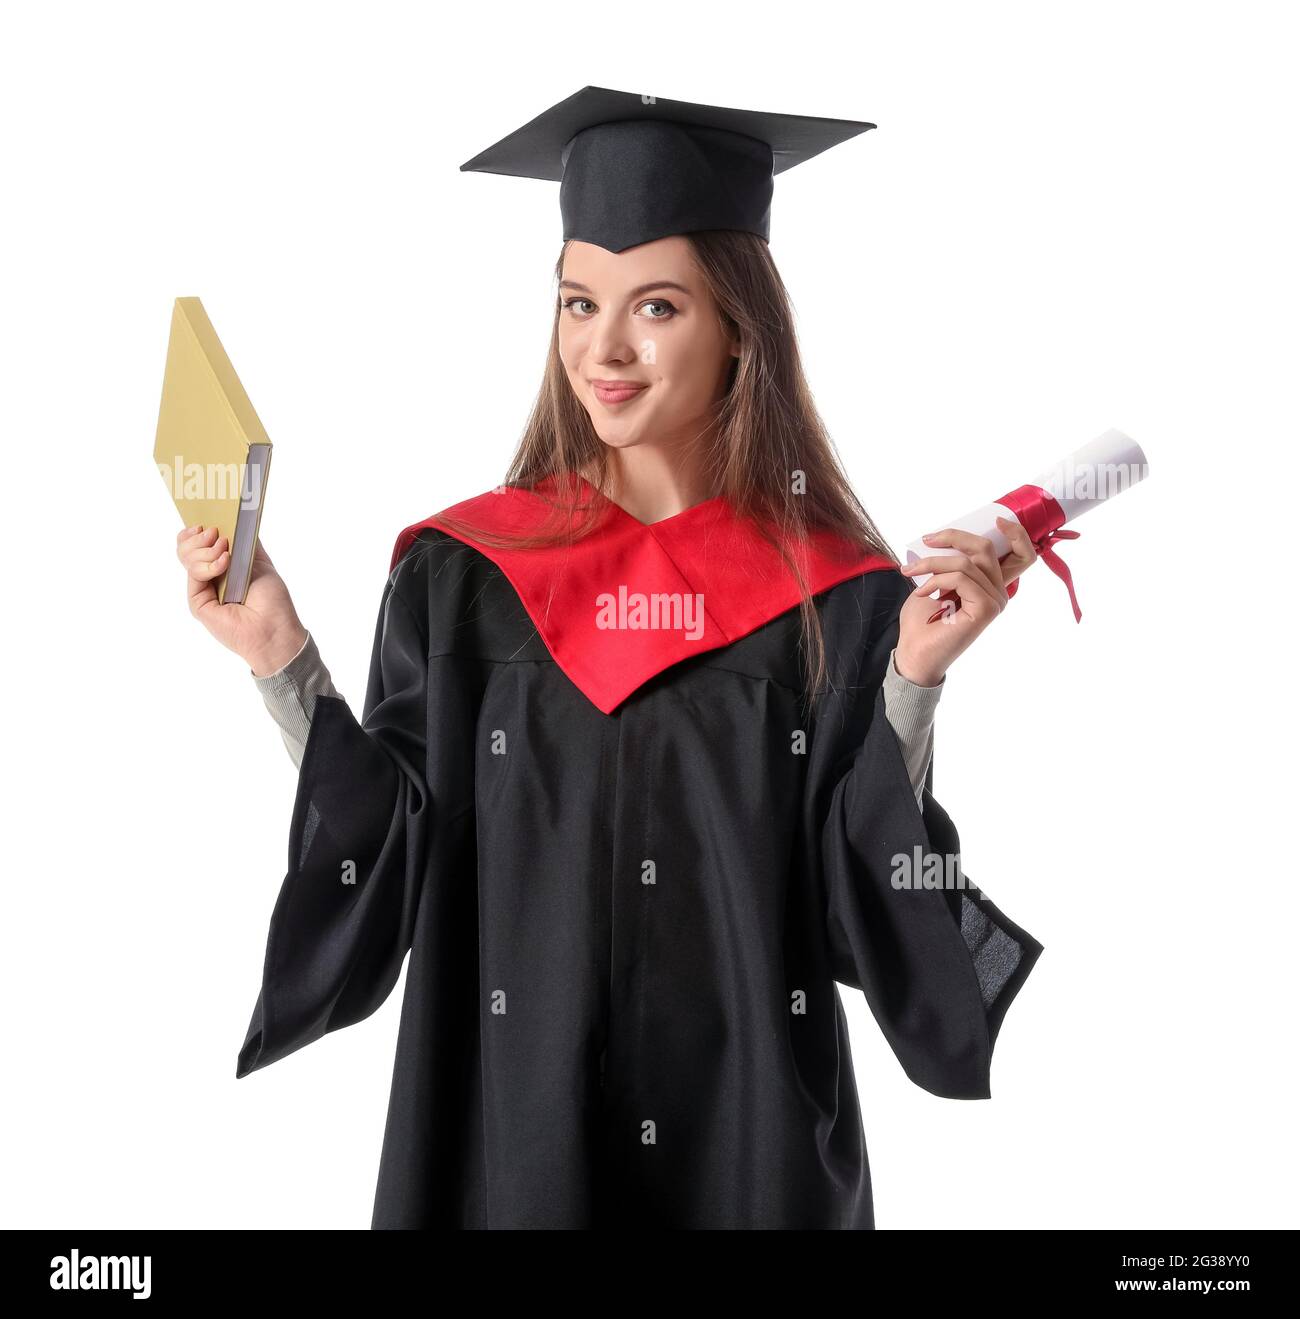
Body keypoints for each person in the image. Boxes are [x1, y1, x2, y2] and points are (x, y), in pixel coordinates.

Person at [175, 87, 1044, 1230]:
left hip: (749, 1139)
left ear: (739, 324)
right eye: (578, 302)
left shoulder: (833, 594)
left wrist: (912, 682)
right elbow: (392, 846)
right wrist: (280, 656)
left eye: (658, 306)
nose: (605, 348)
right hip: (505, 1128)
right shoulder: (463, 574)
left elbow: (864, 897)